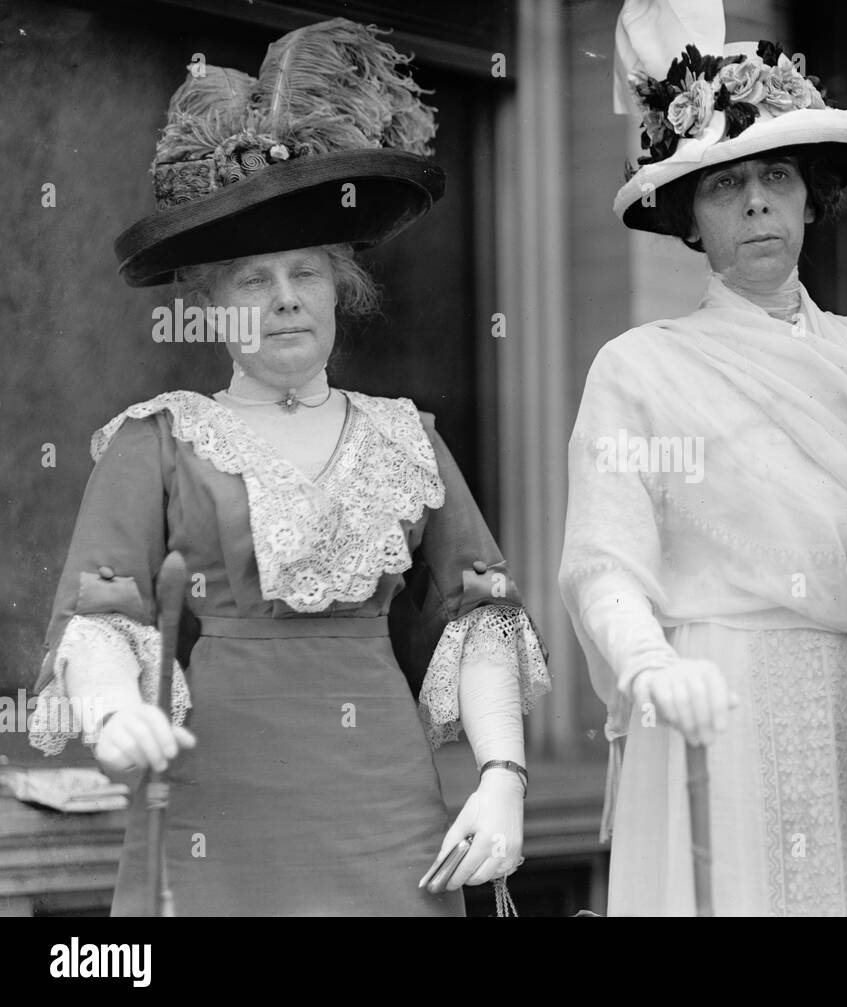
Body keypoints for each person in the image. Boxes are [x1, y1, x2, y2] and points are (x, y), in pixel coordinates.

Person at [28, 18, 549, 917]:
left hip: (386, 811)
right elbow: (97, 616)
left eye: (305, 272)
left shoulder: (405, 438)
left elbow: (481, 611)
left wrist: (503, 773)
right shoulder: (157, 440)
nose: (284, 300)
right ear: (209, 307)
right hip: (218, 806)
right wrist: (114, 714)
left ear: (340, 287)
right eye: (251, 280)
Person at [559, 2, 847, 916]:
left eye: (777, 176)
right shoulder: (639, 366)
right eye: (727, 186)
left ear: (813, 195)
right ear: (691, 214)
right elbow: (604, 562)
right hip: (711, 699)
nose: (758, 202)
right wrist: (650, 667)